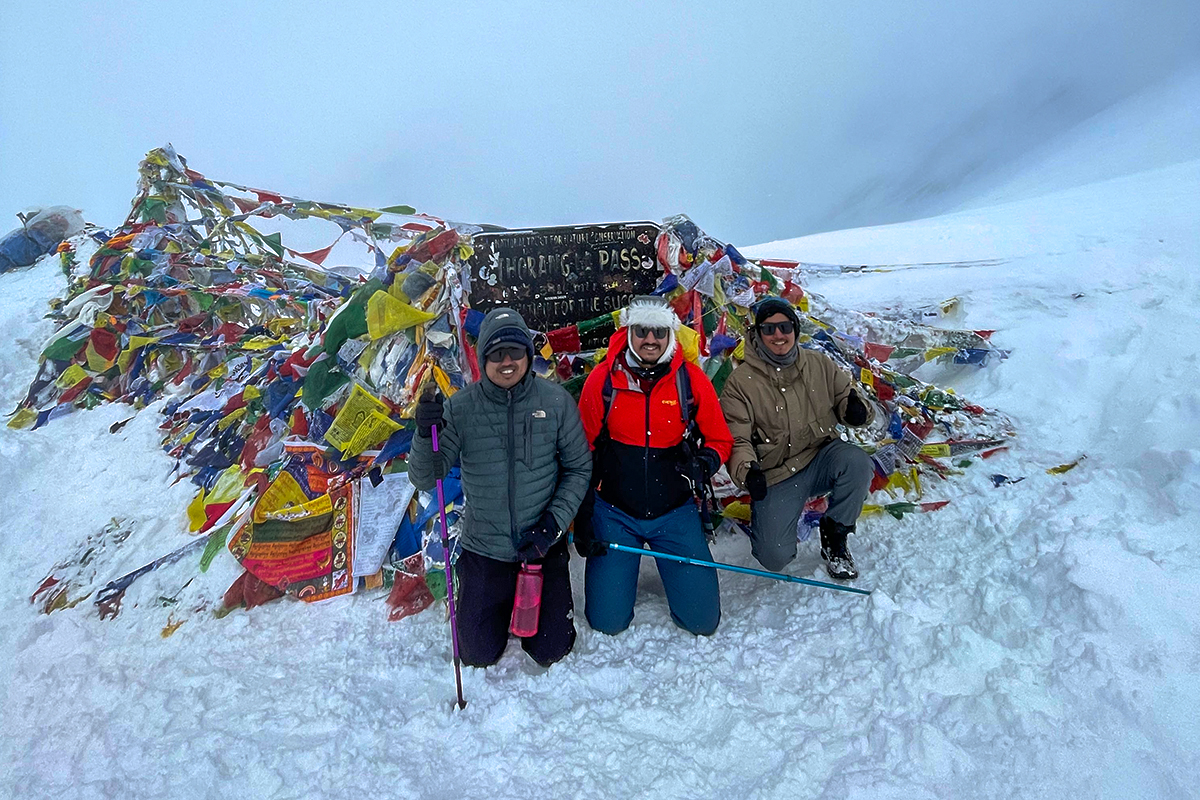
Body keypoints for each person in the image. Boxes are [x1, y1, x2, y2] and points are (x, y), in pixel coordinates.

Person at [408, 307, 591, 668]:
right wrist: (423, 433)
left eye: (515, 352)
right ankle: (493, 599)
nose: (506, 361)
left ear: (528, 354)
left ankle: (535, 603)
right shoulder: (460, 408)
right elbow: (427, 476)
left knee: (551, 651)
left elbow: (579, 468)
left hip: (541, 546)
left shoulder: (555, 402)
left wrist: (552, 525)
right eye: (496, 353)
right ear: (483, 357)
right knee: (476, 654)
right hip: (484, 548)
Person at [574, 295, 733, 636]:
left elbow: (721, 440)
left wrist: (705, 463)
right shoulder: (602, 381)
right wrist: (584, 515)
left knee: (703, 622)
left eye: (659, 332)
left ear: (670, 336)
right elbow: (580, 451)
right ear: (629, 332)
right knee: (607, 622)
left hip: (674, 513)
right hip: (615, 513)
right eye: (642, 330)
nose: (650, 339)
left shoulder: (689, 380)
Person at [719, 297, 875, 579]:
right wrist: (746, 471)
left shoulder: (819, 364)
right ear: (757, 333)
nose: (778, 335)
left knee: (858, 463)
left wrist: (857, 411)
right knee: (774, 557)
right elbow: (737, 439)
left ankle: (835, 535)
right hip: (777, 474)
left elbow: (848, 399)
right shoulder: (740, 383)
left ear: (795, 329)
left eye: (784, 327)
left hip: (821, 457)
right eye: (769, 329)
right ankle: (771, 525)